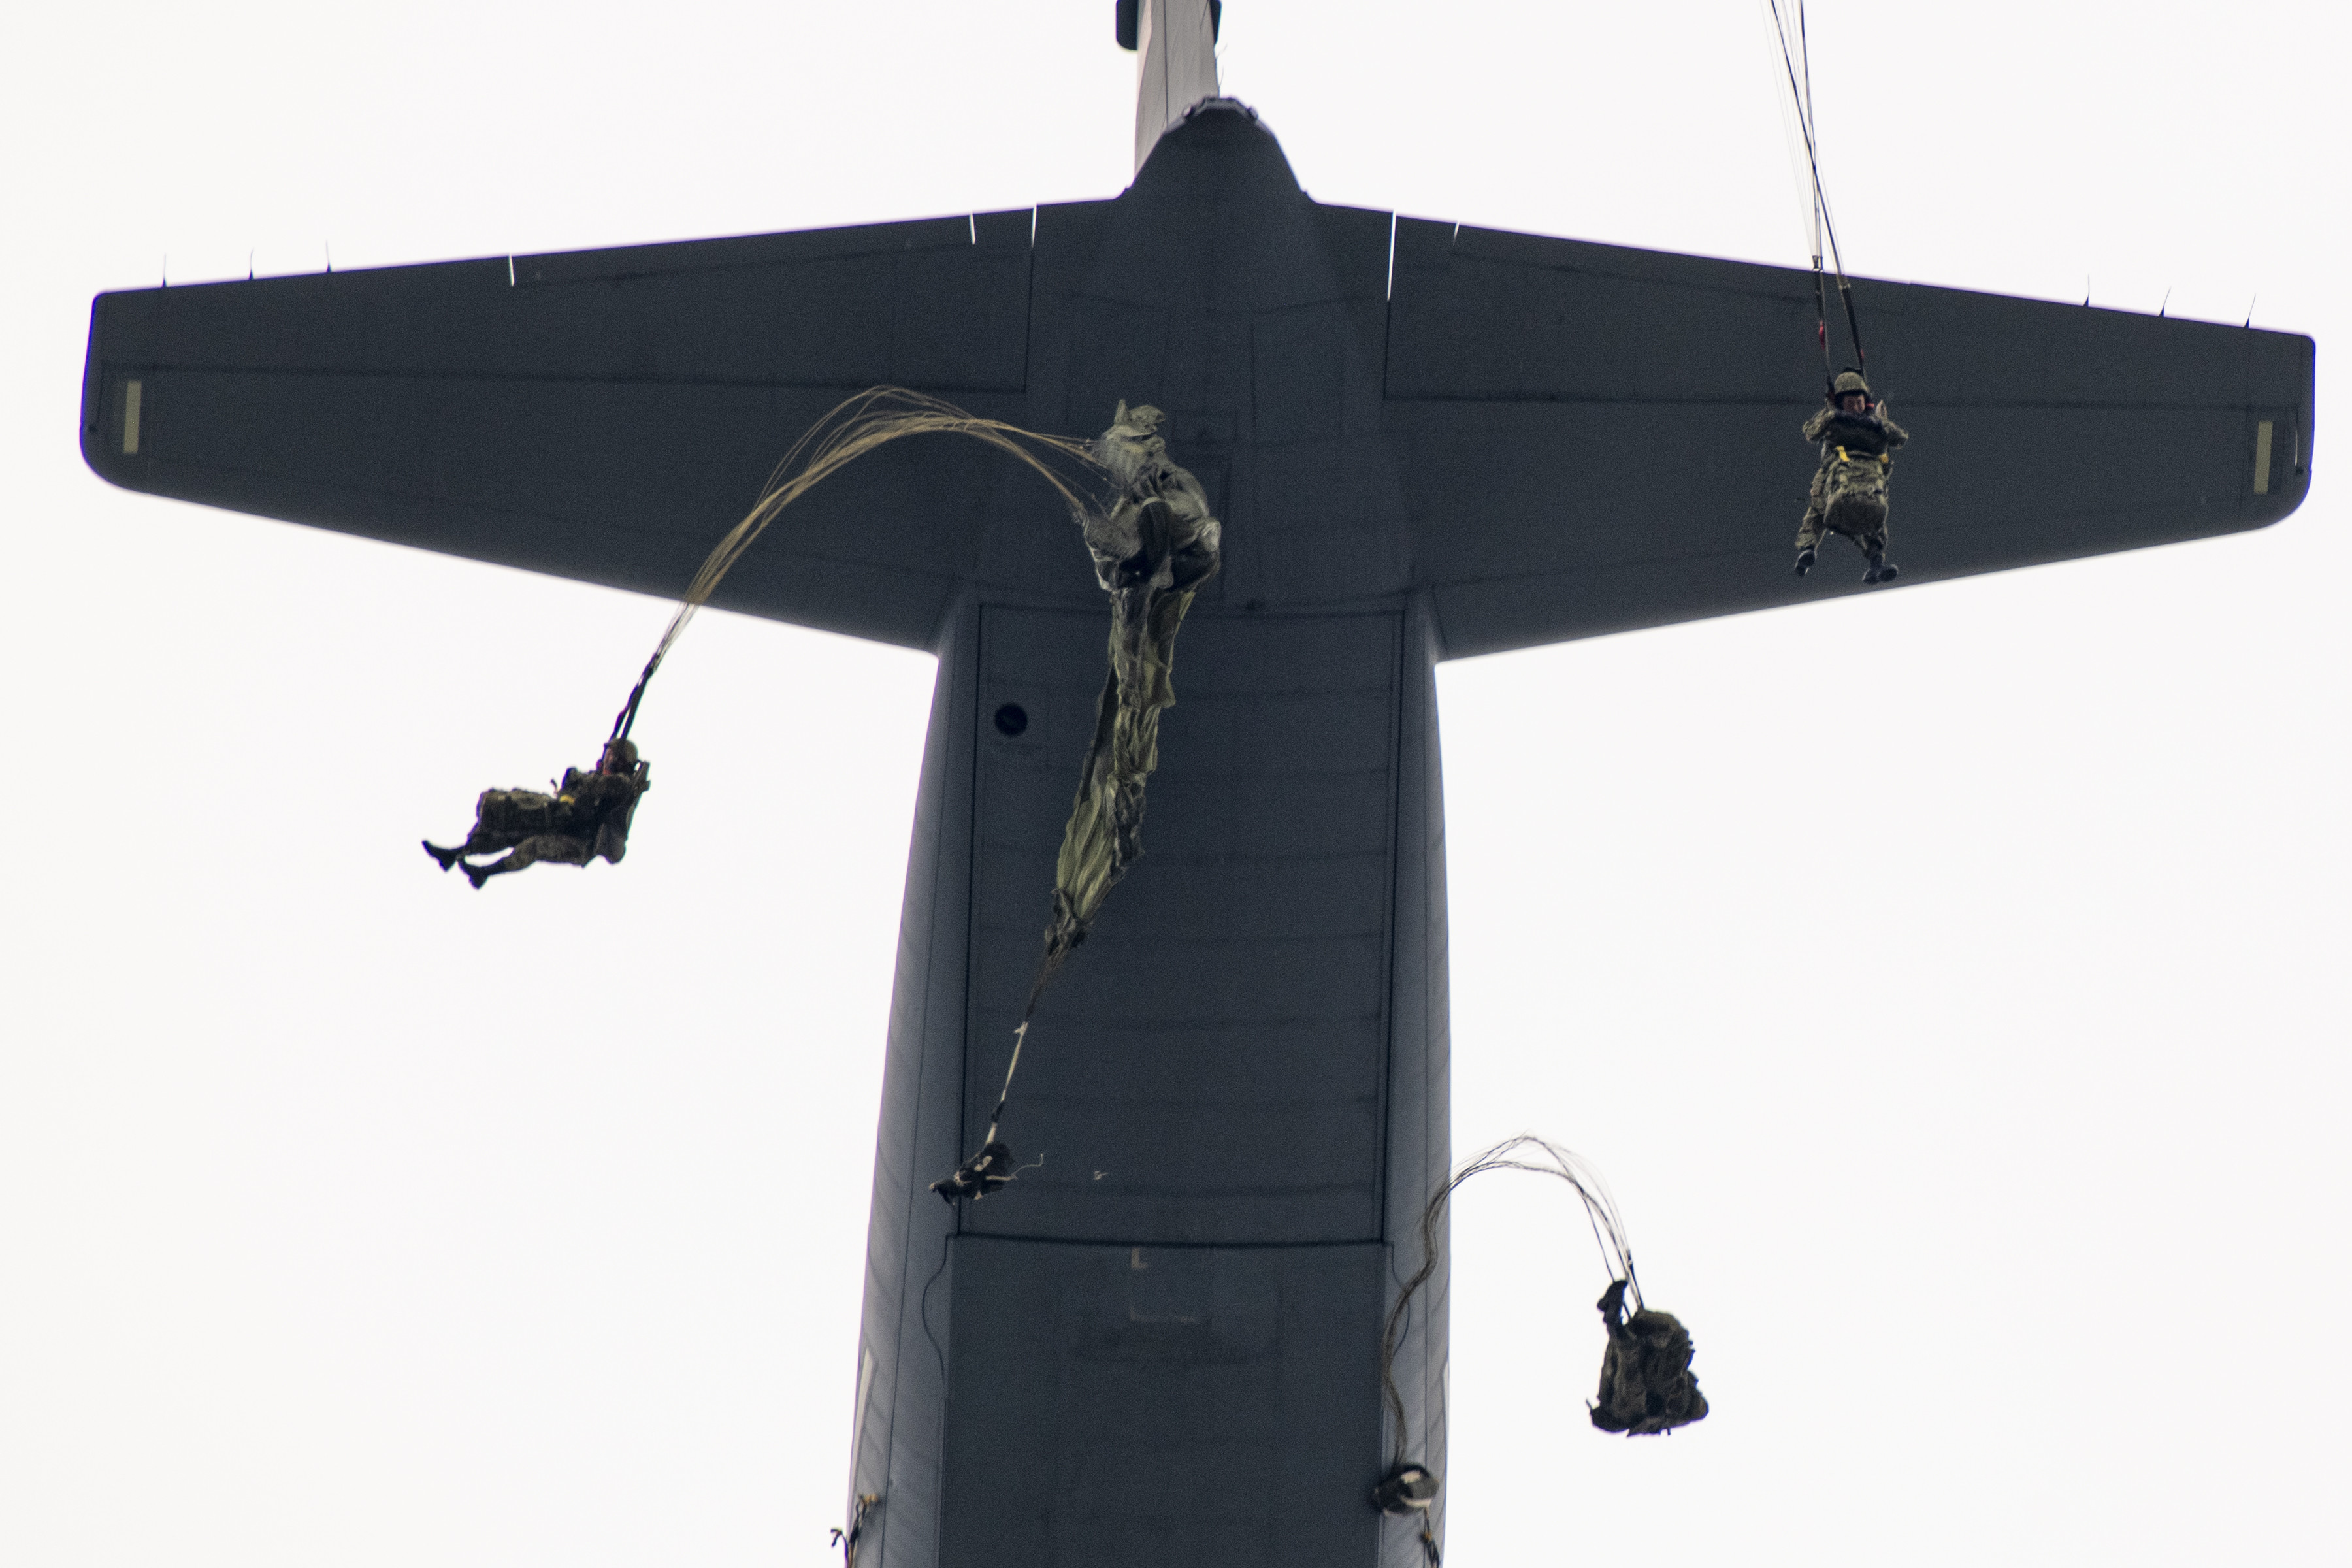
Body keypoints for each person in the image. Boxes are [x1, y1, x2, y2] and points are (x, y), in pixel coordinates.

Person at [423, 737, 649, 889]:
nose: (606, 759)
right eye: (607, 754)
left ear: (621, 763)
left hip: (583, 843)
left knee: (534, 846)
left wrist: (581, 779)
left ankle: (484, 873)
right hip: (566, 824)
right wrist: (573, 783)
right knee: (510, 833)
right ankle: (455, 854)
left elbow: (593, 787)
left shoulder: (622, 783)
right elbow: (576, 791)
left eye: (612, 756)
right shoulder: (601, 777)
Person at [1795, 368, 1908, 584]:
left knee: (1866, 517)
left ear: (1865, 402)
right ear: (1840, 402)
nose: (1855, 407)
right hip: (1843, 474)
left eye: (1859, 402)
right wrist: (1833, 416)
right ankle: (1809, 549)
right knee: (1820, 507)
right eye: (1850, 403)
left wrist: (1879, 423)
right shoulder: (1837, 419)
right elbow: (1811, 433)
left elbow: (1900, 438)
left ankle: (1875, 561)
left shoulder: (1871, 423)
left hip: (1860, 479)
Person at [1589, 1277, 1708, 1436]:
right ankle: (1616, 1321)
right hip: (1644, 1342)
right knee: (1670, 1336)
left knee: (1670, 1337)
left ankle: (1616, 1322)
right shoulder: (1613, 1396)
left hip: (1645, 1347)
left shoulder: (1627, 1412)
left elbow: (1629, 1371)